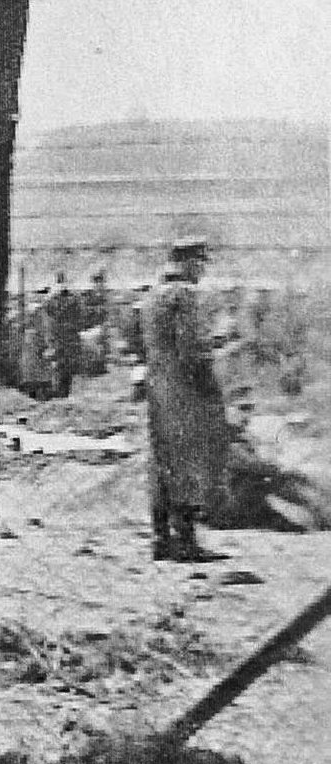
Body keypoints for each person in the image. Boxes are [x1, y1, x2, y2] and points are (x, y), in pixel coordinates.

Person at [144, 237, 231, 563]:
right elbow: (192, 351)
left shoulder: (153, 296)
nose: (201, 271)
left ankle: (161, 539)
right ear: (189, 261)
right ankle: (186, 542)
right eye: (200, 263)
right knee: (187, 463)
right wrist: (211, 389)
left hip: (159, 390)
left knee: (161, 463)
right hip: (184, 391)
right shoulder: (184, 297)